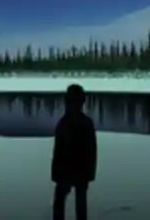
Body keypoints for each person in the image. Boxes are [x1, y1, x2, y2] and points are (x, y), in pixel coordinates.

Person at [51, 83, 98, 220]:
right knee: (76, 202)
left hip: (71, 170)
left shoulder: (66, 123)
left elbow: (91, 151)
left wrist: (56, 174)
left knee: (64, 202)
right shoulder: (79, 122)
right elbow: (91, 151)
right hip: (75, 171)